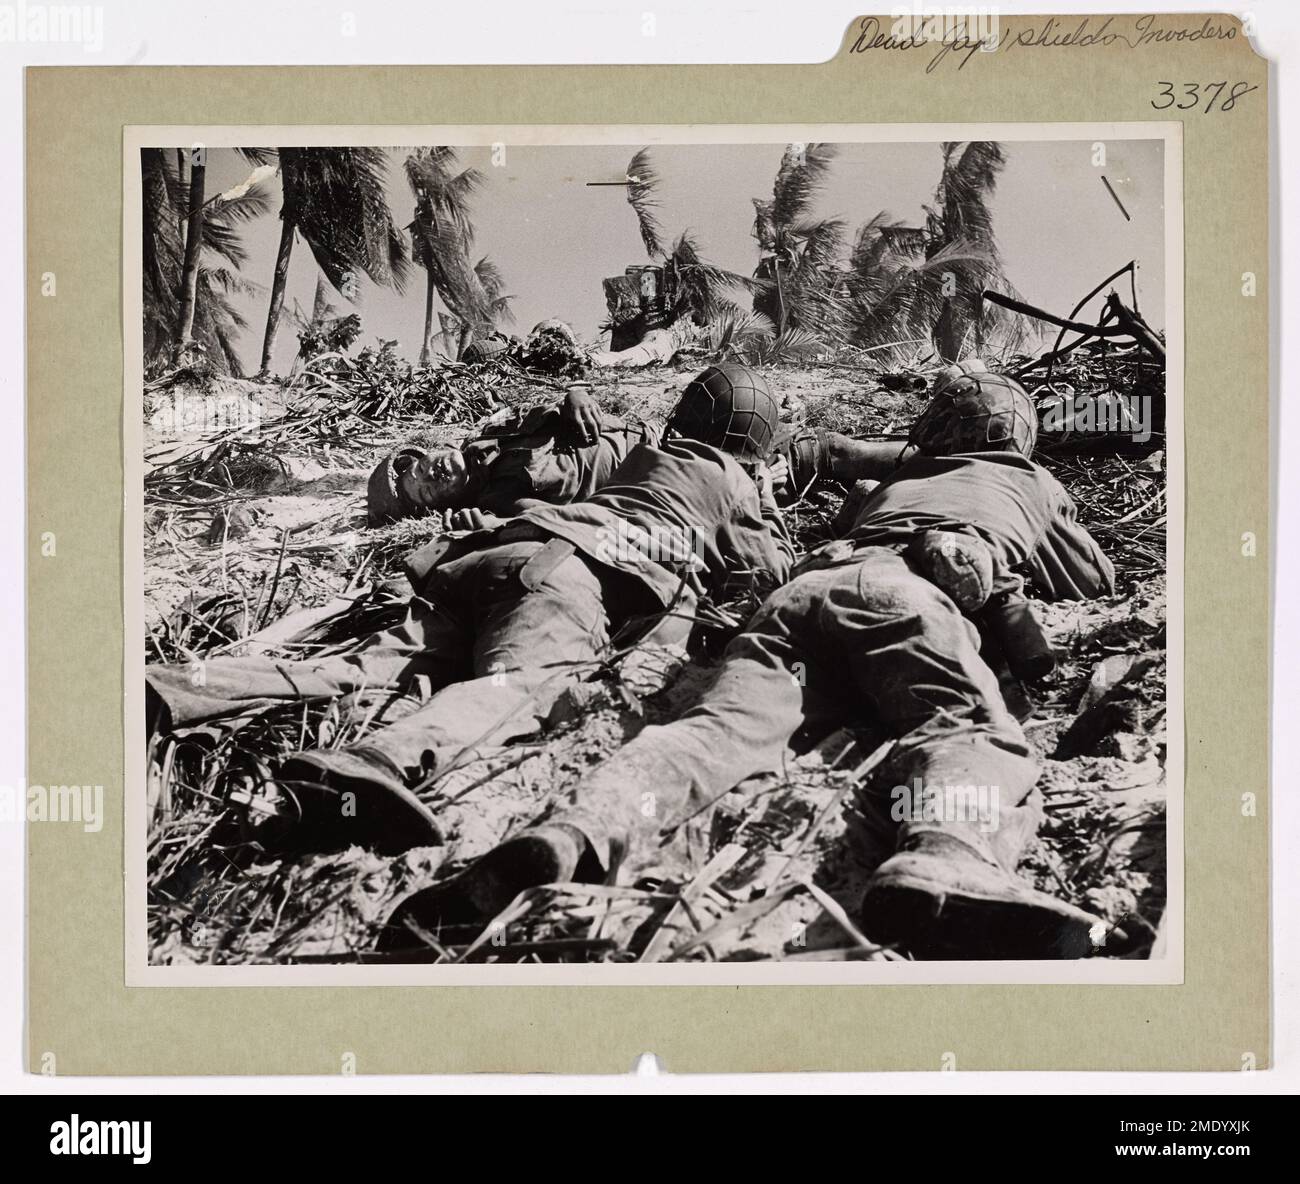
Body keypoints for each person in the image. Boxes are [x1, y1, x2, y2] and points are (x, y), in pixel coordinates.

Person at [387, 362, 1117, 960]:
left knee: (714, 734)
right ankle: (946, 854)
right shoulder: (1032, 483)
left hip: (805, 592)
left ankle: (572, 830)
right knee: (965, 724)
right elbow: (1095, 581)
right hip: (904, 595)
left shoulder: (895, 484)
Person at [147, 364, 793, 854]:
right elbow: (769, 576)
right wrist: (765, 499)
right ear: (752, 446)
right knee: (519, 690)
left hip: (485, 556)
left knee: (363, 667)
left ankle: (171, 688)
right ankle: (376, 762)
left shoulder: (641, 459)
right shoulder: (732, 481)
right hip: (561, 578)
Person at [366, 385, 661, 529]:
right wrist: (492, 526)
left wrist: (574, 395)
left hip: (652, 431)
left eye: (421, 469)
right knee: (696, 545)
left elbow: (550, 405)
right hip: (655, 478)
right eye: (429, 491)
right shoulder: (497, 499)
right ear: (445, 504)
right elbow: (553, 521)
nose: (434, 474)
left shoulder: (493, 429)